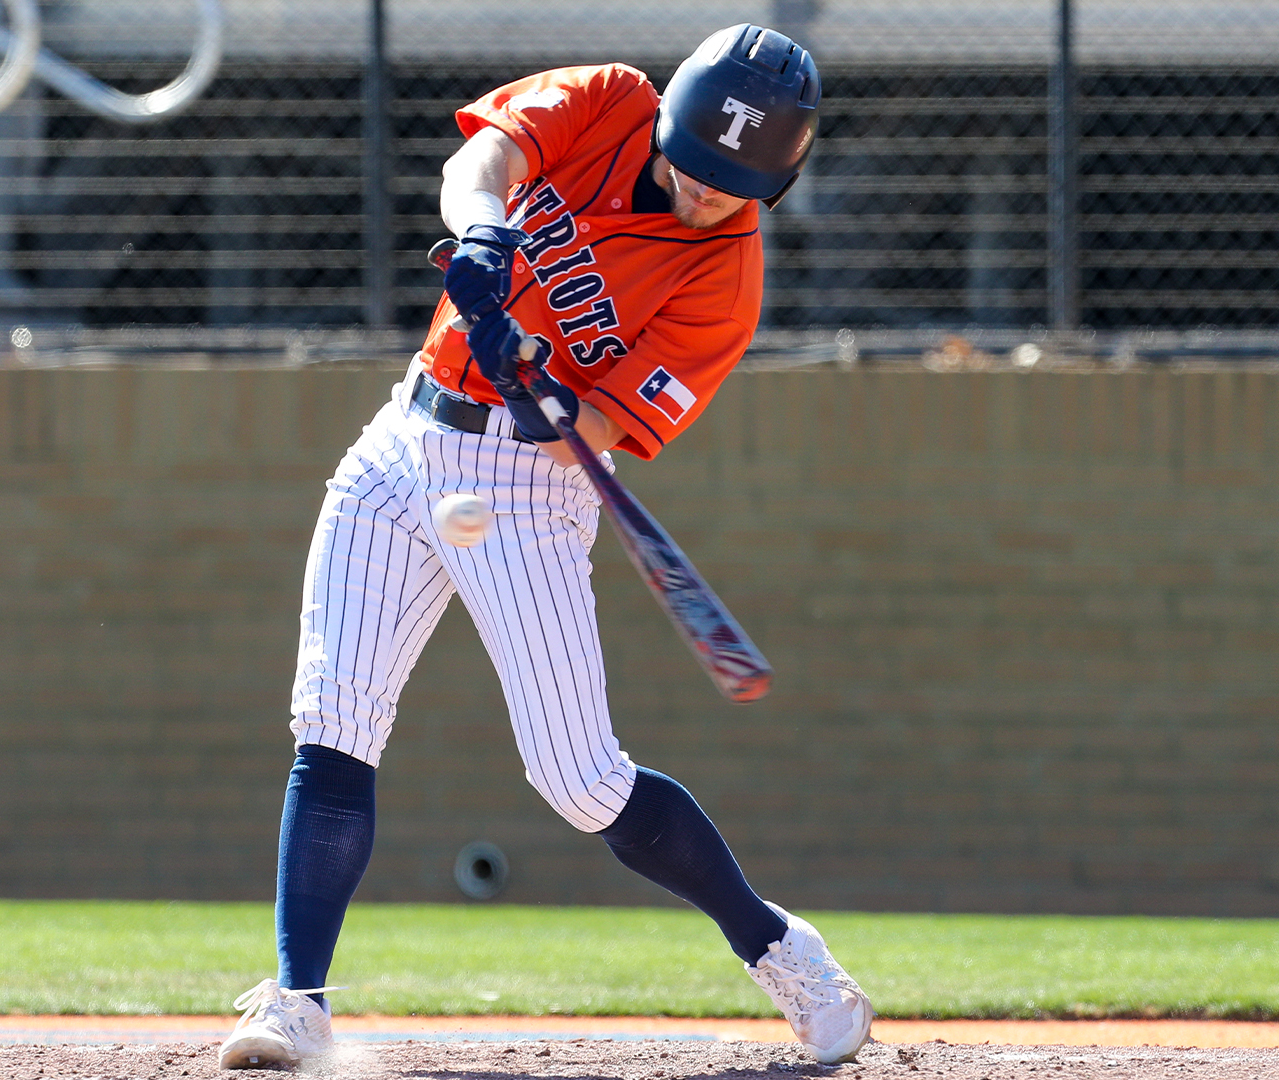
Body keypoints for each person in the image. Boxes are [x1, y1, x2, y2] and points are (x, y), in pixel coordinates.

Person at [218, 23, 871, 1071]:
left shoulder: (725, 282)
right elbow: (482, 160)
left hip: (523, 486)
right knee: (334, 717)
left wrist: (547, 393)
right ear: (669, 119)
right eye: (694, 164)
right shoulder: (609, 99)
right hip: (407, 436)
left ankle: (785, 952)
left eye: (730, 184)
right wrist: (483, 238)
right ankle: (297, 1001)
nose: (704, 193)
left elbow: (601, 433)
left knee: (579, 780)